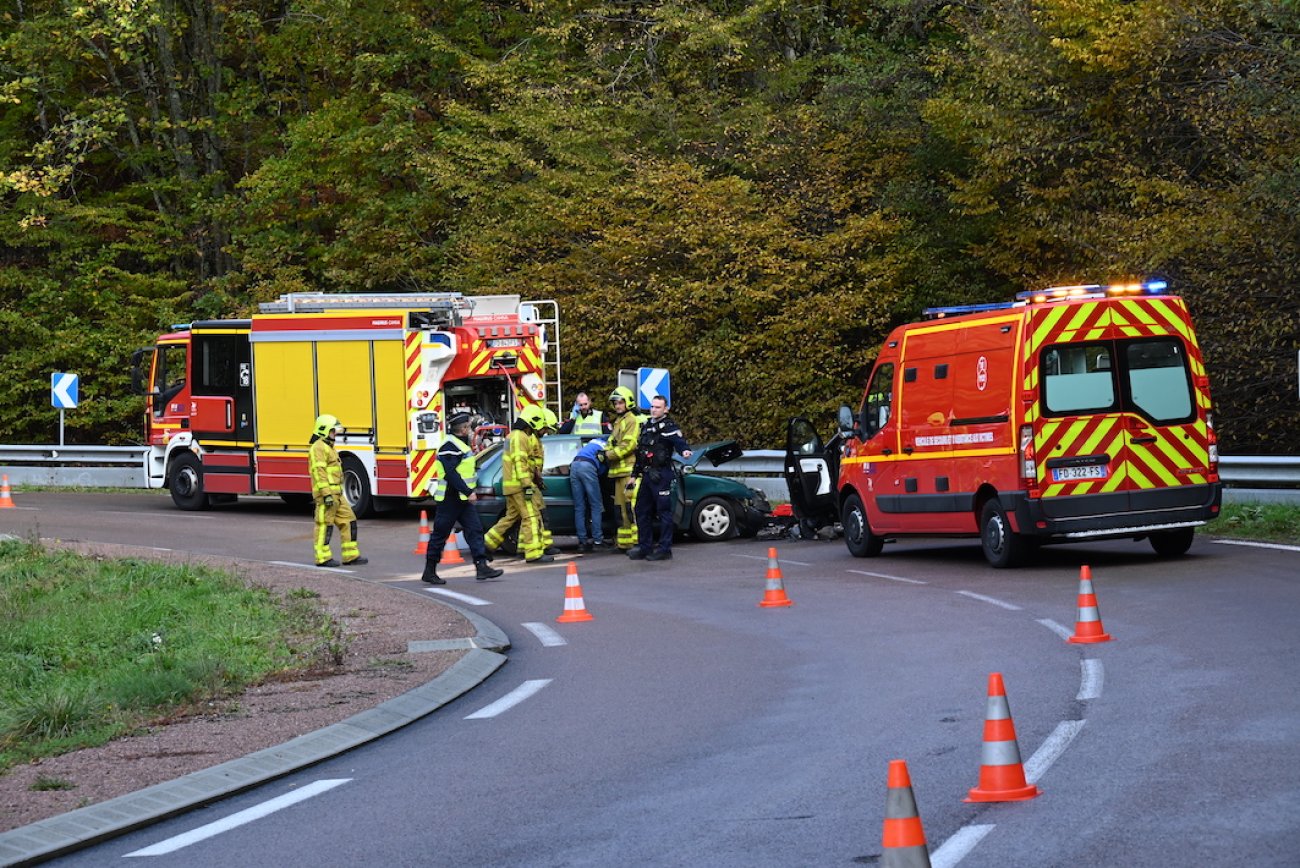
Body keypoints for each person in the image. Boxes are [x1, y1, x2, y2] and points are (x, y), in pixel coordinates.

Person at [420, 413, 505, 585]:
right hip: (450, 499)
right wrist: (468, 491)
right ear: (464, 428)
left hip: (461, 499)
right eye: (468, 426)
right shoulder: (449, 446)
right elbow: (451, 474)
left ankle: (481, 566)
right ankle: (429, 571)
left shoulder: (458, 444)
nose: (471, 429)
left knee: (475, 530)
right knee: (440, 535)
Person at [483, 405, 552, 563]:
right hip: (520, 486)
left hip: (511, 486)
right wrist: (528, 485)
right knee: (531, 516)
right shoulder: (520, 437)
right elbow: (520, 463)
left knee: (511, 517)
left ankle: (486, 545)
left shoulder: (512, 436)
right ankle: (534, 554)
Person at [627, 395, 691, 561]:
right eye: (652, 407)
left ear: (665, 409)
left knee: (664, 512)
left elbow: (679, 441)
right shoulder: (647, 426)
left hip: (662, 474)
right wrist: (634, 475)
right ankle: (644, 547)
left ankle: (664, 549)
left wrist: (685, 450)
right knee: (641, 510)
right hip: (647, 474)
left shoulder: (669, 426)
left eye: (657, 407)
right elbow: (641, 453)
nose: (653, 410)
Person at [309, 414, 368, 568]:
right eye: (333, 431)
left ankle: (350, 555)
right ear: (324, 431)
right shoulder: (318, 448)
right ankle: (322, 558)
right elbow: (319, 472)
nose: (335, 435)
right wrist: (327, 494)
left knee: (349, 520)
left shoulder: (328, 447)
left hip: (337, 495)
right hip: (326, 496)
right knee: (324, 525)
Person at [601, 386, 643, 551]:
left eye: (620, 402)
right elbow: (611, 442)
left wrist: (608, 455)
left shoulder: (631, 420)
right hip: (618, 473)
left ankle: (637, 543)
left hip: (629, 472)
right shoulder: (618, 421)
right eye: (615, 403)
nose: (617, 406)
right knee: (620, 510)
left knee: (630, 509)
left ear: (628, 403)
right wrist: (605, 451)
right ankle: (624, 543)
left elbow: (628, 445)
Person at [570, 435, 609, 552]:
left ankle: (582, 542)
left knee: (579, 507)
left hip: (574, 465)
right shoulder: (606, 446)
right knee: (596, 505)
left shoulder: (592, 443)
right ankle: (598, 541)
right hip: (587, 466)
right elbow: (602, 470)